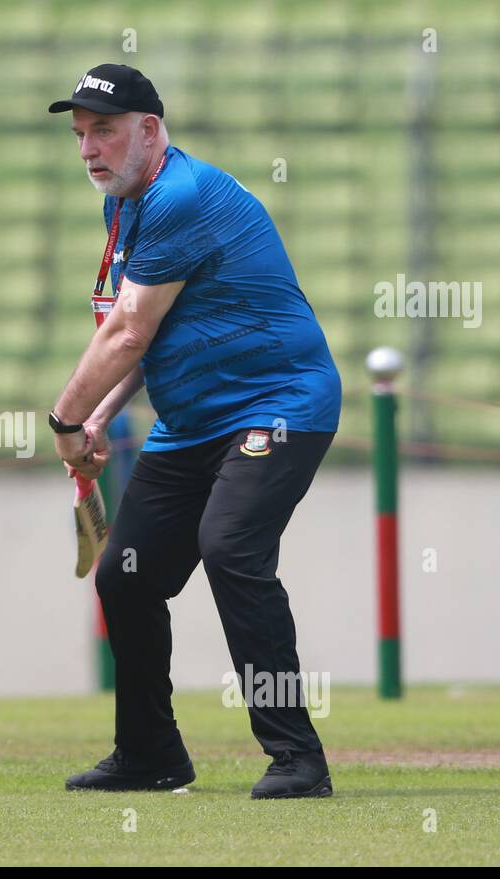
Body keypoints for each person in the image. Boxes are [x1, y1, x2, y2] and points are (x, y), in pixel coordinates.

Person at [46, 64, 342, 798]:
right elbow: (151, 335)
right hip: (192, 423)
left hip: (277, 405)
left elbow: (127, 332)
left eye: (104, 130)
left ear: (150, 130)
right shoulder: (125, 204)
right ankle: (150, 756)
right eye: (80, 134)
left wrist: (65, 420)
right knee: (125, 575)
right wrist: (101, 414)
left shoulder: (180, 195)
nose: (88, 149)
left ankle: (297, 758)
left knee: (230, 547)